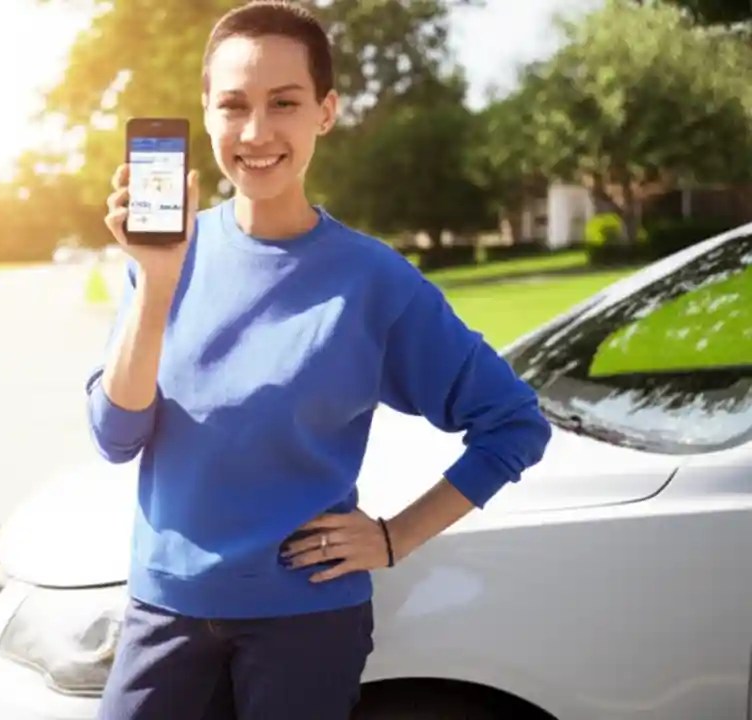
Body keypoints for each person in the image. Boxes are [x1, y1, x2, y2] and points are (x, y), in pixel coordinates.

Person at [84, 1, 553, 718]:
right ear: (206, 114)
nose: (257, 132)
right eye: (234, 105)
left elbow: (514, 423)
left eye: (285, 103)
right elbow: (116, 437)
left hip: (303, 627)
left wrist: (397, 536)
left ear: (325, 113)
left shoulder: (374, 281)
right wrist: (155, 282)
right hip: (165, 613)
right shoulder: (162, 258)